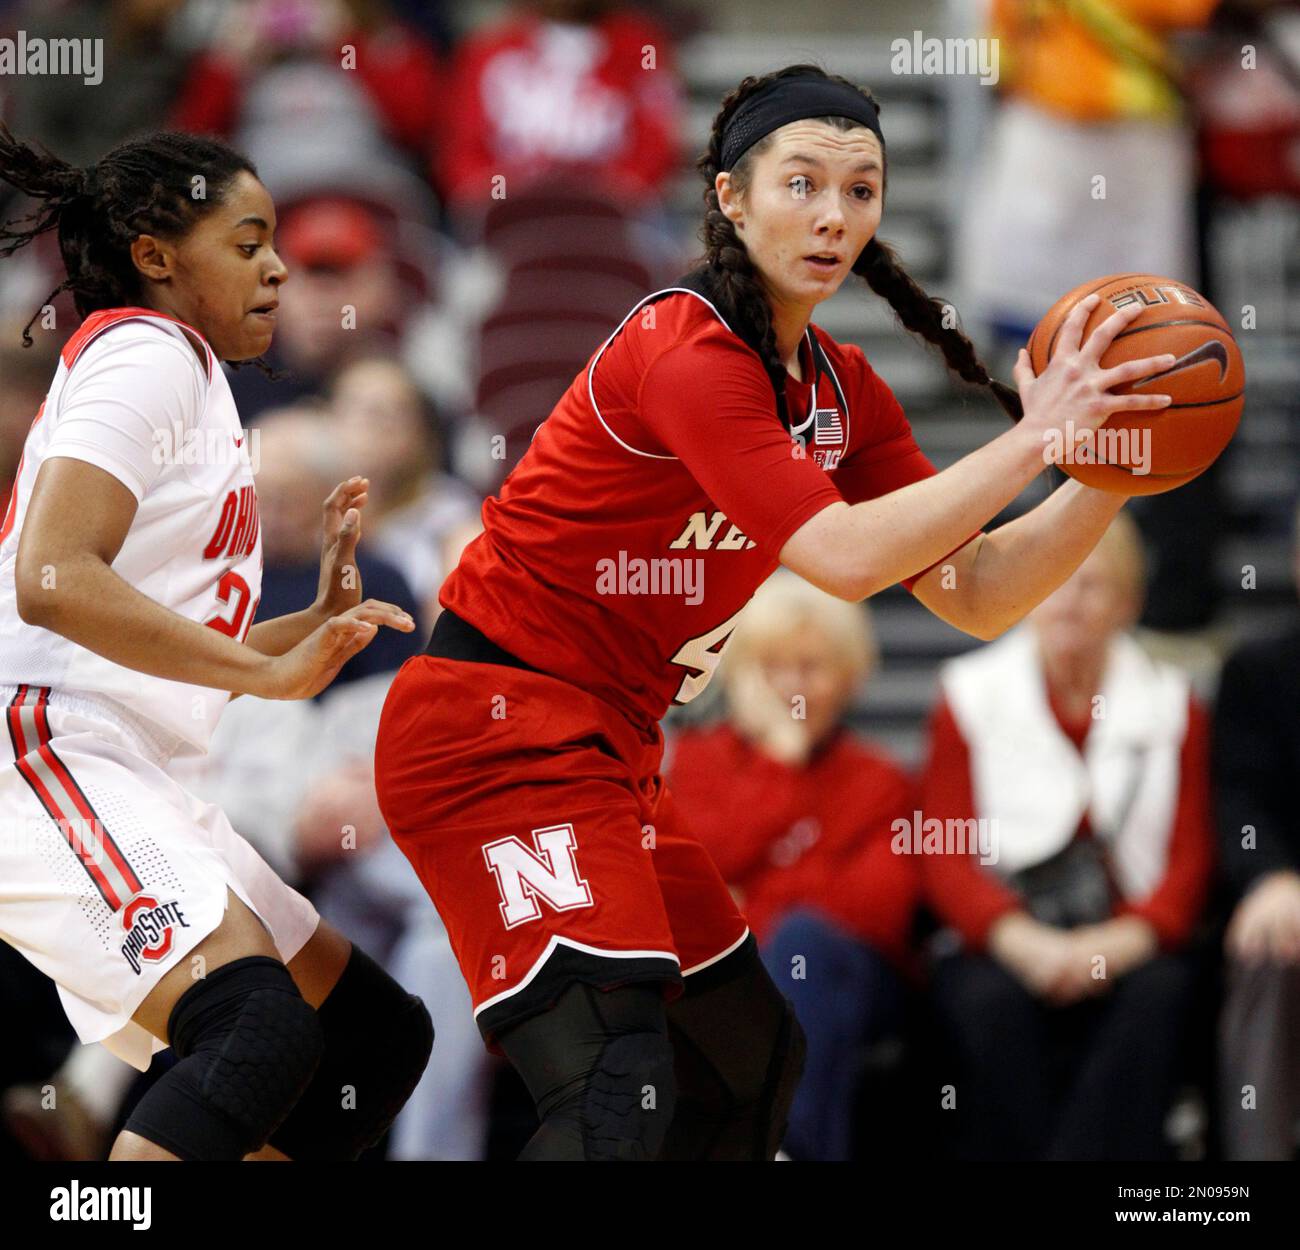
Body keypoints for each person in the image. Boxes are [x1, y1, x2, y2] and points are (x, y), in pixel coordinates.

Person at [373, 63, 1180, 1162]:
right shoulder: (685, 348)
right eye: (801, 184)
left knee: (747, 1066)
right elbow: (841, 557)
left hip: (610, 751)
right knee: (615, 1091)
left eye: (860, 189)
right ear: (728, 197)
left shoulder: (843, 390)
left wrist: (1108, 471)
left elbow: (978, 589)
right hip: (491, 732)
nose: (833, 214)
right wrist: (1037, 436)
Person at [0, 124, 432, 1160]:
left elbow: (157, 637)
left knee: (368, 1039)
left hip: (136, 761)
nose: (278, 266)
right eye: (247, 243)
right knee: (257, 1027)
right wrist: (264, 664)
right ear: (157, 255)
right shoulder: (145, 355)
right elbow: (50, 576)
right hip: (46, 749)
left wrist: (309, 625)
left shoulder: (191, 380)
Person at [919, 514, 1214, 1159]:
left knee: (1162, 992)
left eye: (1090, 585)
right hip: (1009, 933)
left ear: (1128, 602)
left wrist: (1120, 940)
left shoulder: (1173, 700)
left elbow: (1190, 858)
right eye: (1051, 582)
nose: (1068, 602)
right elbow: (944, 854)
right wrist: (1025, 944)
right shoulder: (968, 693)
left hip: (1130, 934)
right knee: (984, 999)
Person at [666, 571, 918, 1161]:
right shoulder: (697, 764)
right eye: (771, 667)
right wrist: (783, 761)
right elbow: (690, 883)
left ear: (850, 675)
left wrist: (750, 896)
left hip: (844, 979)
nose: (791, 686)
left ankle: (785, 1150)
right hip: (716, 978)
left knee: (803, 945)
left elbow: (877, 910)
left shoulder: (877, 779)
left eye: (812, 667)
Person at [1213, 500, 1300, 1160]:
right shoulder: (1259, 670)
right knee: (1268, 943)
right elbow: (1237, 797)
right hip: (1291, 902)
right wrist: (1270, 876)